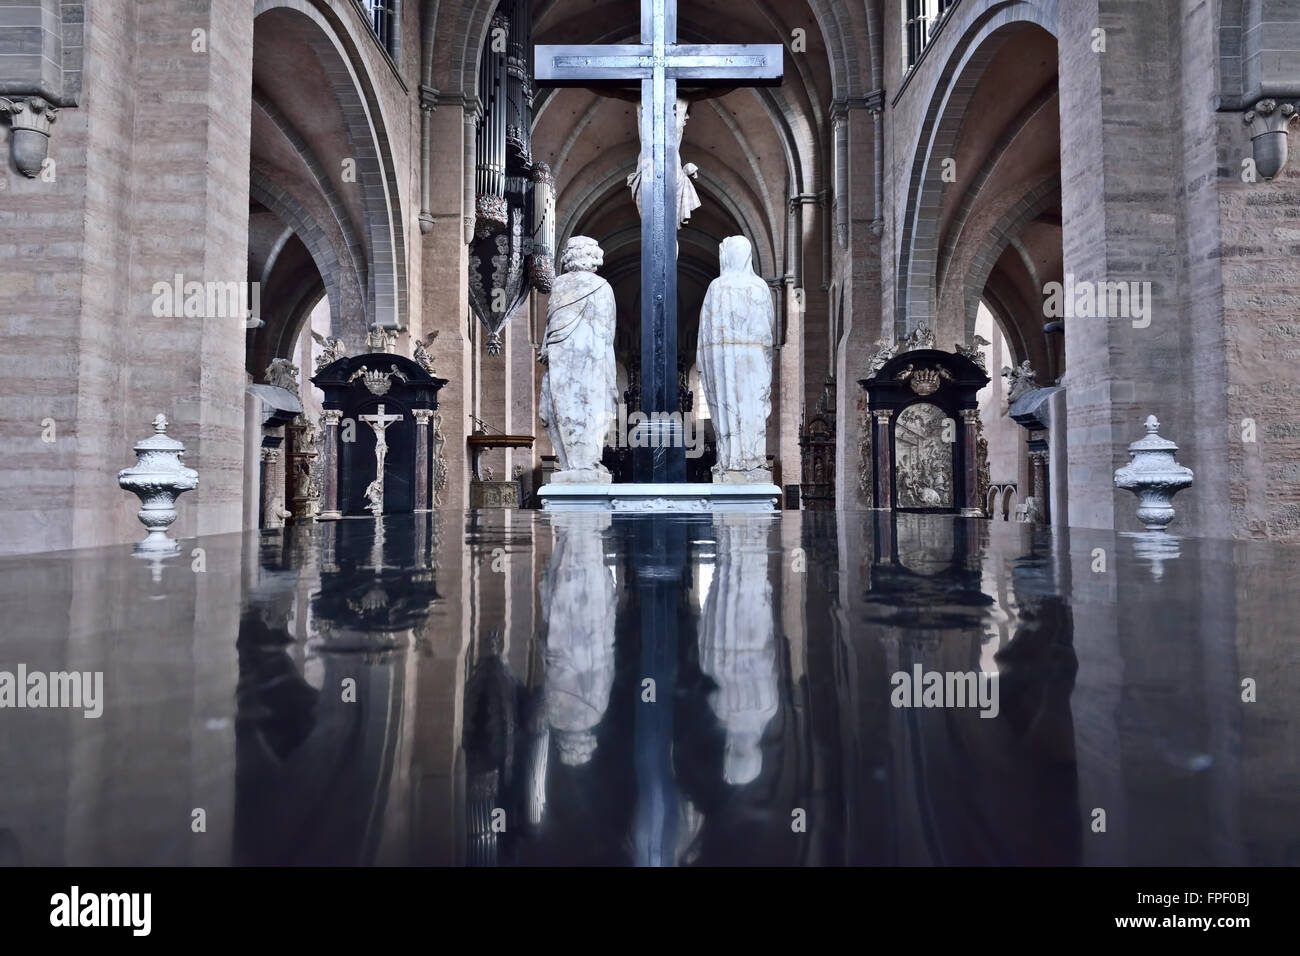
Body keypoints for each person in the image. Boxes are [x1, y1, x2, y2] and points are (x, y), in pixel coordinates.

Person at [538, 237, 618, 482]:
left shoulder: (559, 285)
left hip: (561, 358)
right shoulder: (602, 286)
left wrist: (546, 348)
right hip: (592, 360)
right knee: (592, 407)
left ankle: (570, 463)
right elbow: (607, 333)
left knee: (564, 406)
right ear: (593, 257)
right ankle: (588, 462)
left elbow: (550, 325)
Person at [697, 235, 775, 483]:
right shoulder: (760, 287)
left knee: (730, 407)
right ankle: (752, 460)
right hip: (754, 362)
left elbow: (705, 336)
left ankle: (731, 461)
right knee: (752, 409)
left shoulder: (716, 287)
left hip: (725, 363)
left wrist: (706, 361)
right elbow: (769, 327)